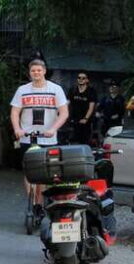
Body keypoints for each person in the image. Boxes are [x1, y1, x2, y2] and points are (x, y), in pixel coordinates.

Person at [10, 59, 68, 207]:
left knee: (43, 173)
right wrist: (17, 129)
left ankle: (40, 202)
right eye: (33, 70)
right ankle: (31, 202)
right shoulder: (22, 90)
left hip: (48, 139)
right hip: (27, 138)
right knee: (29, 171)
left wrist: (53, 129)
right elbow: (15, 111)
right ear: (29, 73)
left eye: (39, 70)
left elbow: (64, 113)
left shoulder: (56, 89)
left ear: (44, 71)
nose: (36, 73)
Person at [67, 71, 97, 145]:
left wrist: (86, 118)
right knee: (73, 138)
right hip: (74, 118)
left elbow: (91, 107)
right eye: (79, 78)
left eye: (83, 78)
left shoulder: (91, 91)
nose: (81, 79)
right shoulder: (73, 90)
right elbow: (67, 103)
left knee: (85, 139)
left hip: (86, 120)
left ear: (87, 80)